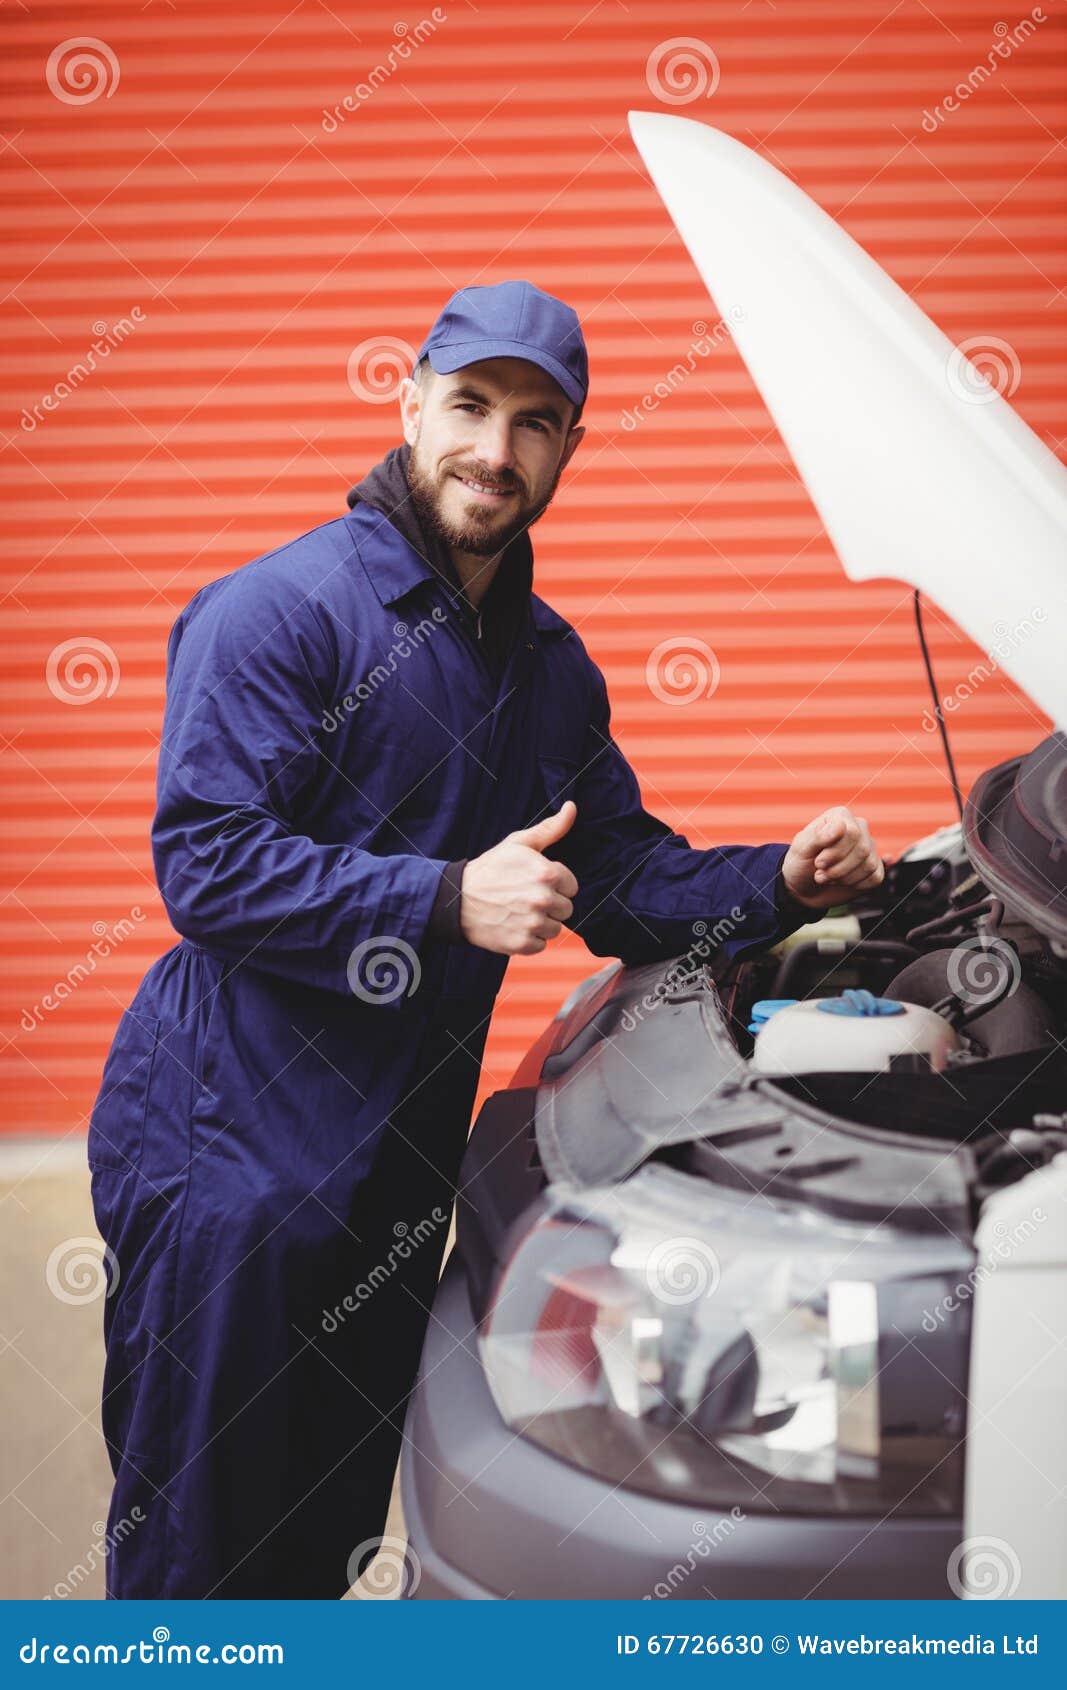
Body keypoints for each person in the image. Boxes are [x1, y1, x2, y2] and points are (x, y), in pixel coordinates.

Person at [88, 280, 885, 1598]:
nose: (495, 451)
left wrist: (787, 883)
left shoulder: (551, 670)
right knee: (198, 1563)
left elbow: (621, 875)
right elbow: (206, 862)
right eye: (469, 406)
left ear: (569, 447)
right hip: (235, 1146)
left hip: (396, 1171)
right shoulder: (279, 615)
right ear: (409, 404)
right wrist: (442, 899)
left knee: (329, 1535)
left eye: (535, 422)